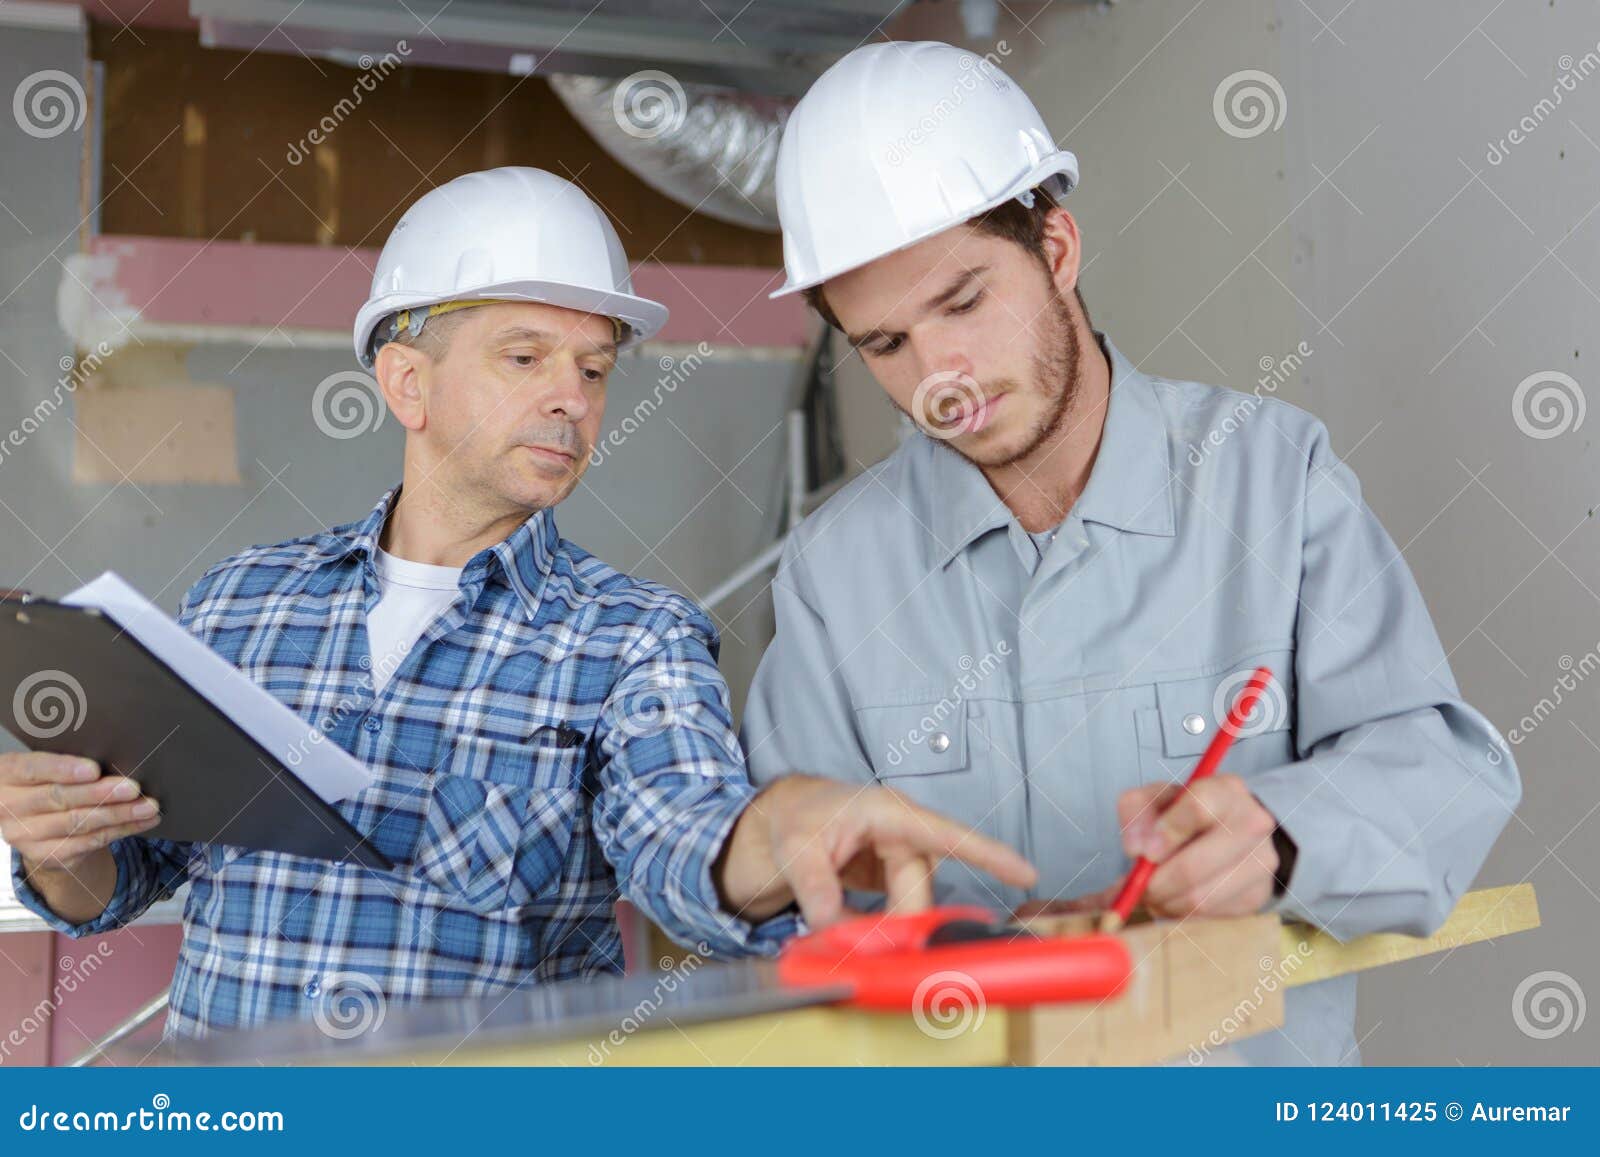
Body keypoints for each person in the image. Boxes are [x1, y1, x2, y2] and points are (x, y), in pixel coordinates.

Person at [1, 166, 1035, 1041]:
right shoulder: (240, 602)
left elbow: (684, 840)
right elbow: (130, 874)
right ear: (406, 383)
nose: (571, 397)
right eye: (526, 357)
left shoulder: (633, 639)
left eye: (594, 368)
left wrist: (779, 828)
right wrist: (63, 845)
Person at [741, 42, 1521, 1065]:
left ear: (1056, 247)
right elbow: (785, 906)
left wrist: (1280, 835)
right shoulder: (832, 575)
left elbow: (1446, 776)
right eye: (885, 344)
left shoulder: (1272, 480)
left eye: (963, 302)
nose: (940, 376)